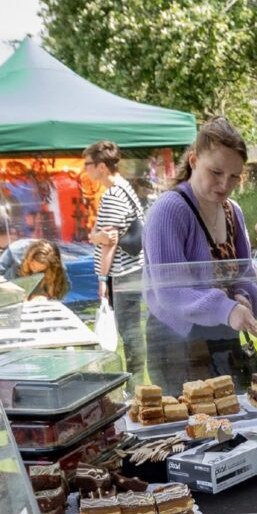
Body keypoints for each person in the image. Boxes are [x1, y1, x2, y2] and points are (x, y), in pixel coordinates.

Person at [143, 116, 257, 392]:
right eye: (216, 172)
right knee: (195, 426)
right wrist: (226, 307)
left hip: (224, 333)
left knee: (234, 420)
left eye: (234, 176)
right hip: (177, 343)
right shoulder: (170, 210)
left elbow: (244, 273)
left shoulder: (233, 211)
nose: (225, 184)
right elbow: (170, 292)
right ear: (194, 161)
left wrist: (244, 297)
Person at [80, 140, 145, 376]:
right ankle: (136, 380)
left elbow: (109, 242)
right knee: (131, 331)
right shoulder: (124, 188)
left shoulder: (112, 195)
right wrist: (98, 236)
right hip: (131, 269)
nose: (84, 169)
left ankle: (135, 382)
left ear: (101, 167)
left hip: (122, 273)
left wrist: (102, 279)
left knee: (129, 333)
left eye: (87, 164)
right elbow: (110, 235)